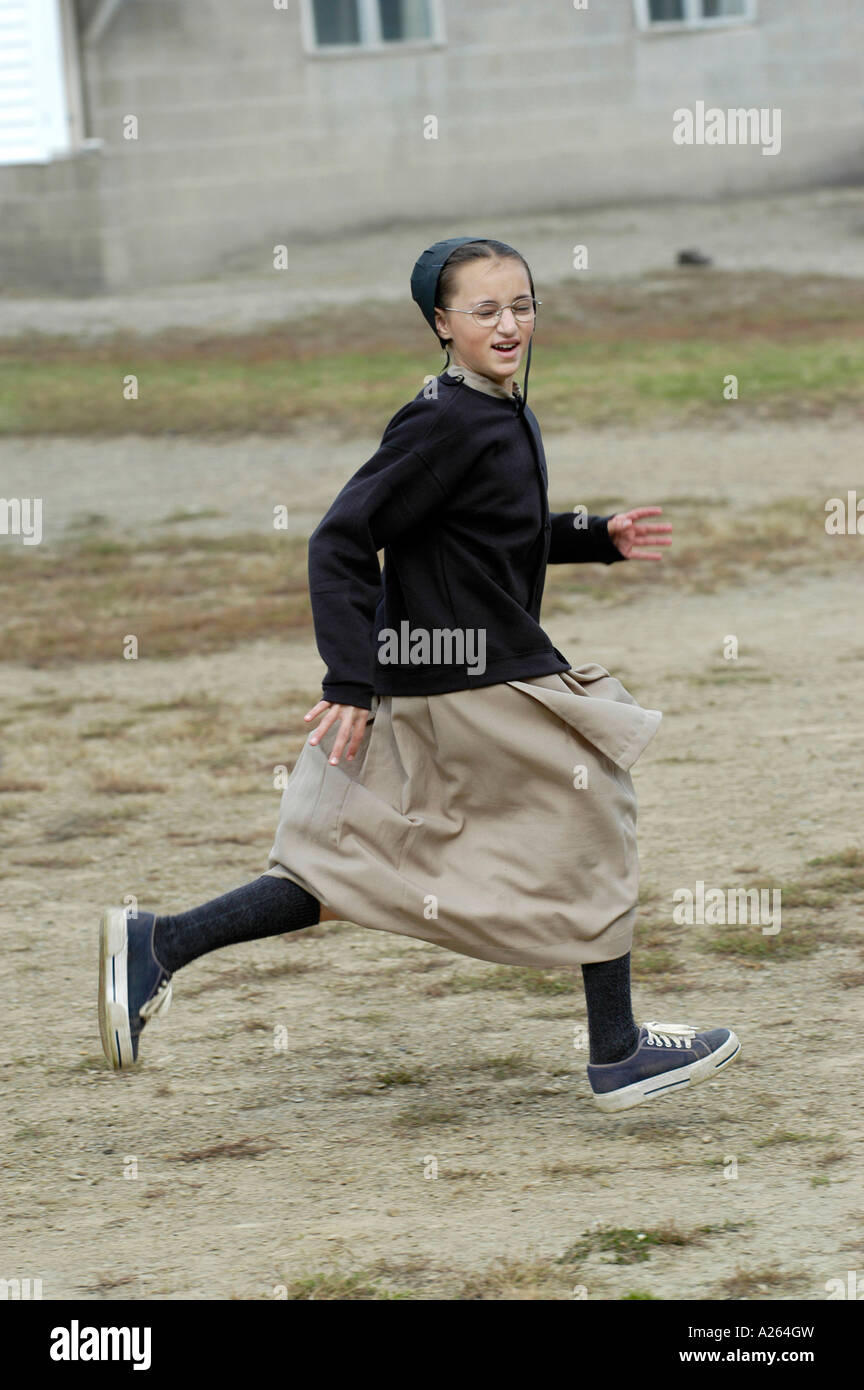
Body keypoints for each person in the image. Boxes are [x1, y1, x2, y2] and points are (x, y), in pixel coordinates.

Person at [97, 236, 739, 1112]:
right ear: (442, 323)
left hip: (458, 667)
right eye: (485, 310)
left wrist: (593, 536)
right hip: (467, 676)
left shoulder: (496, 406)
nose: (509, 323)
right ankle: (618, 1052)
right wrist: (349, 682)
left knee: (358, 860)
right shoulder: (442, 418)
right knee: (596, 808)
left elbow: (486, 528)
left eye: (522, 304)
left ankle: (159, 943)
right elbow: (340, 537)